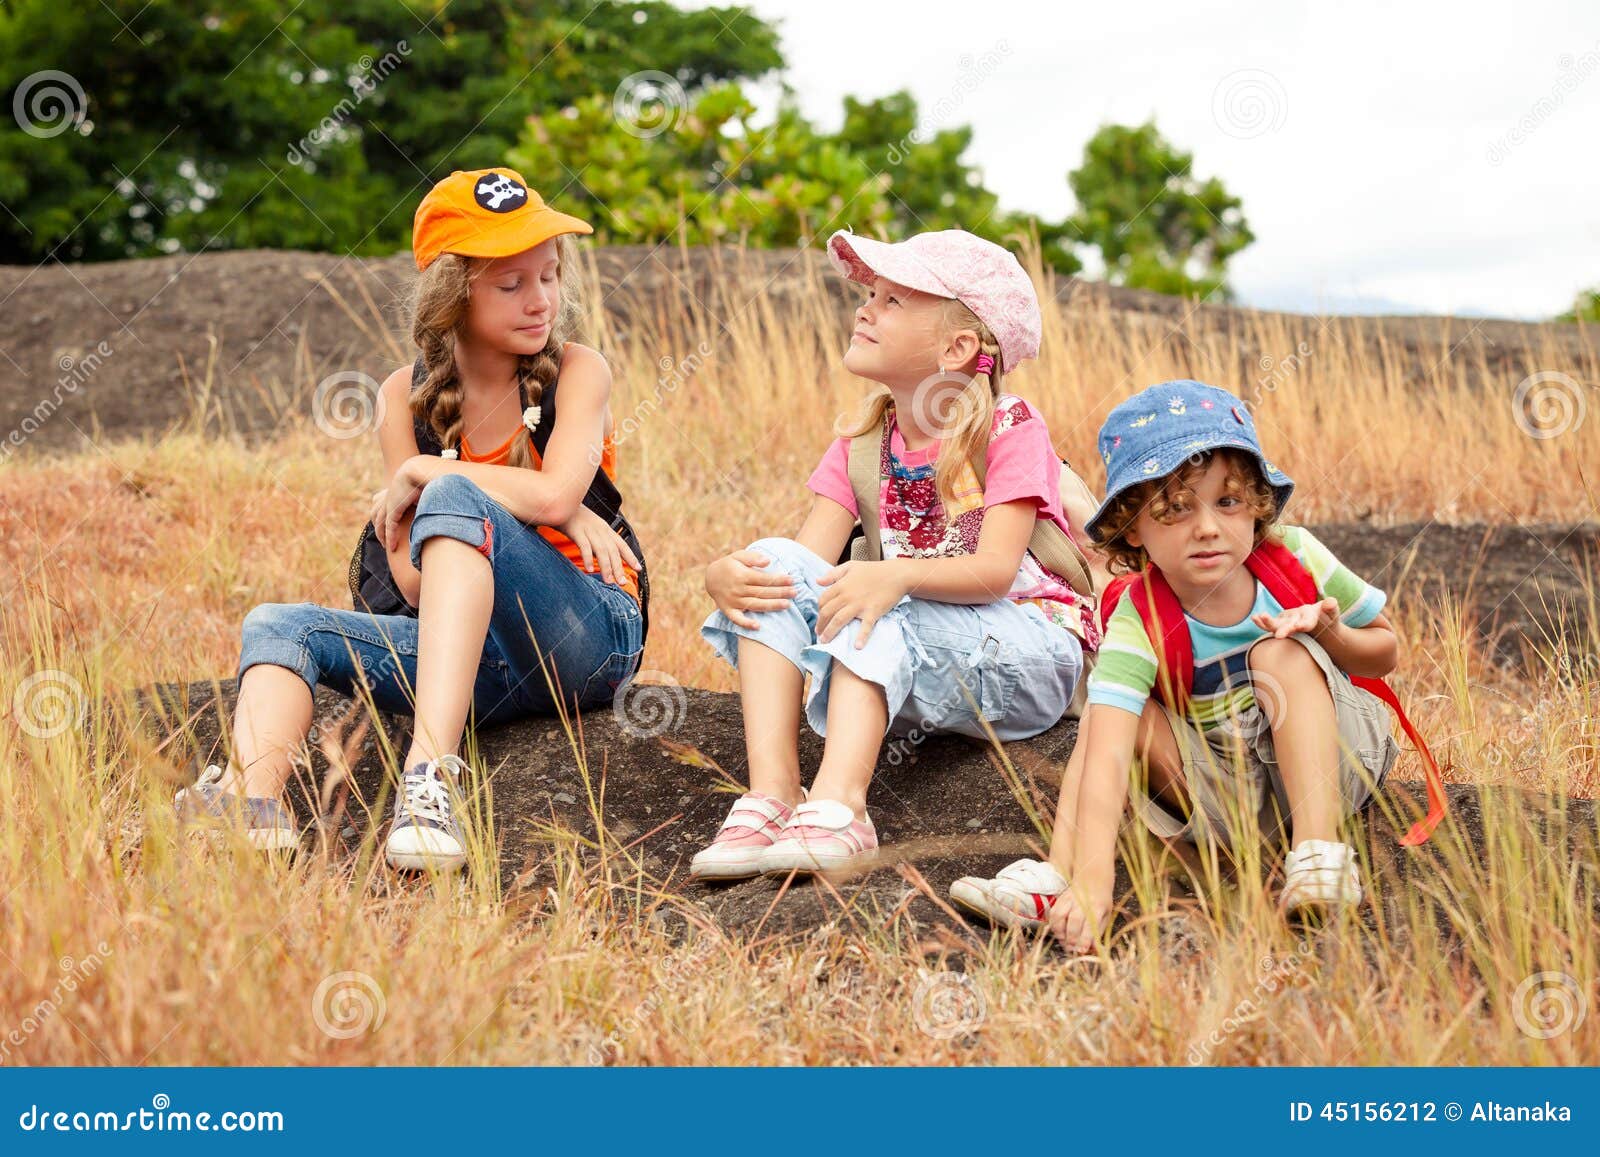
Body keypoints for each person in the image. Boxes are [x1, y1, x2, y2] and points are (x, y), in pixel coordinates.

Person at [176, 169, 646, 873]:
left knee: (454, 501)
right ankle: (256, 805)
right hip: (472, 658)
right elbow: (415, 582)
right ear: (455, 295)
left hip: (587, 636)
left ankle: (428, 780)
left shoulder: (579, 370)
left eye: (548, 276)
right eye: (511, 283)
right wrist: (497, 501)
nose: (541, 299)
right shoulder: (403, 396)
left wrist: (434, 475)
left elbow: (554, 495)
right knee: (274, 624)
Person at [693, 228, 1099, 881]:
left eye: (892, 301)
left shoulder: (1007, 427)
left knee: (878, 594)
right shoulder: (861, 442)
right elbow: (805, 569)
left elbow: (996, 571)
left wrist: (896, 575)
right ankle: (773, 795)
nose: (865, 309)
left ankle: (843, 805)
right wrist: (731, 574)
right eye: (869, 295)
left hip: (1026, 648)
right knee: (772, 562)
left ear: (958, 347)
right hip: (922, 646)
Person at [950, 380, 1405, 949]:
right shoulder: (1139, 616)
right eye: (1175, 508)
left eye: (1228, 501)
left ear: (1258, 503)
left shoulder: (1295, 555)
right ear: (1131, 526)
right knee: (1107, 715)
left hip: (1334, 762)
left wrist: (1330, 630)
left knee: (1278, 651)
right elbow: (1112, 750)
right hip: (1224, 799)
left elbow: (1385, 651)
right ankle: (1059, 876)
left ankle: (1318, 859)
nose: (1208, 527)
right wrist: (1097, 884)